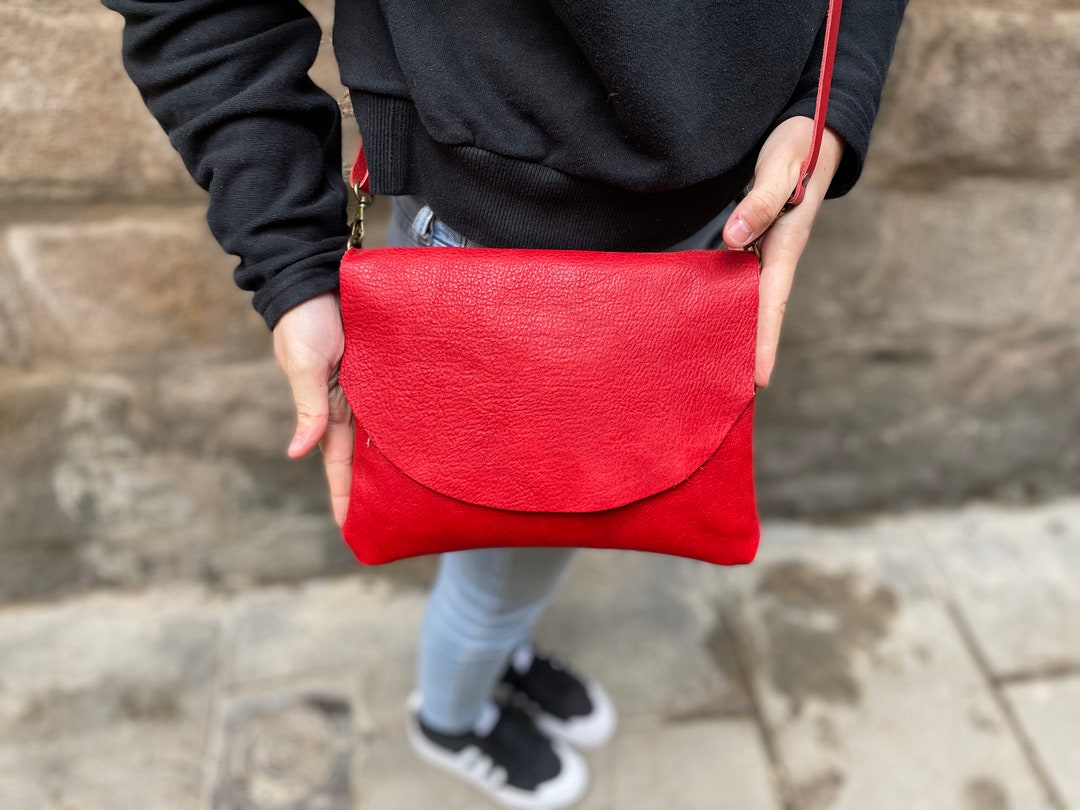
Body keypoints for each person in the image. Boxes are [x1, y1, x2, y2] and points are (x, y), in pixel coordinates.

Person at [102, 1, 907, 807]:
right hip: (487, 236)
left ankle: (501, 656)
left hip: (714, 229)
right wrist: (291, 259)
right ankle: (451, 718)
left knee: (517, 552)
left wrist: (827, 103)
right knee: (503, 564)